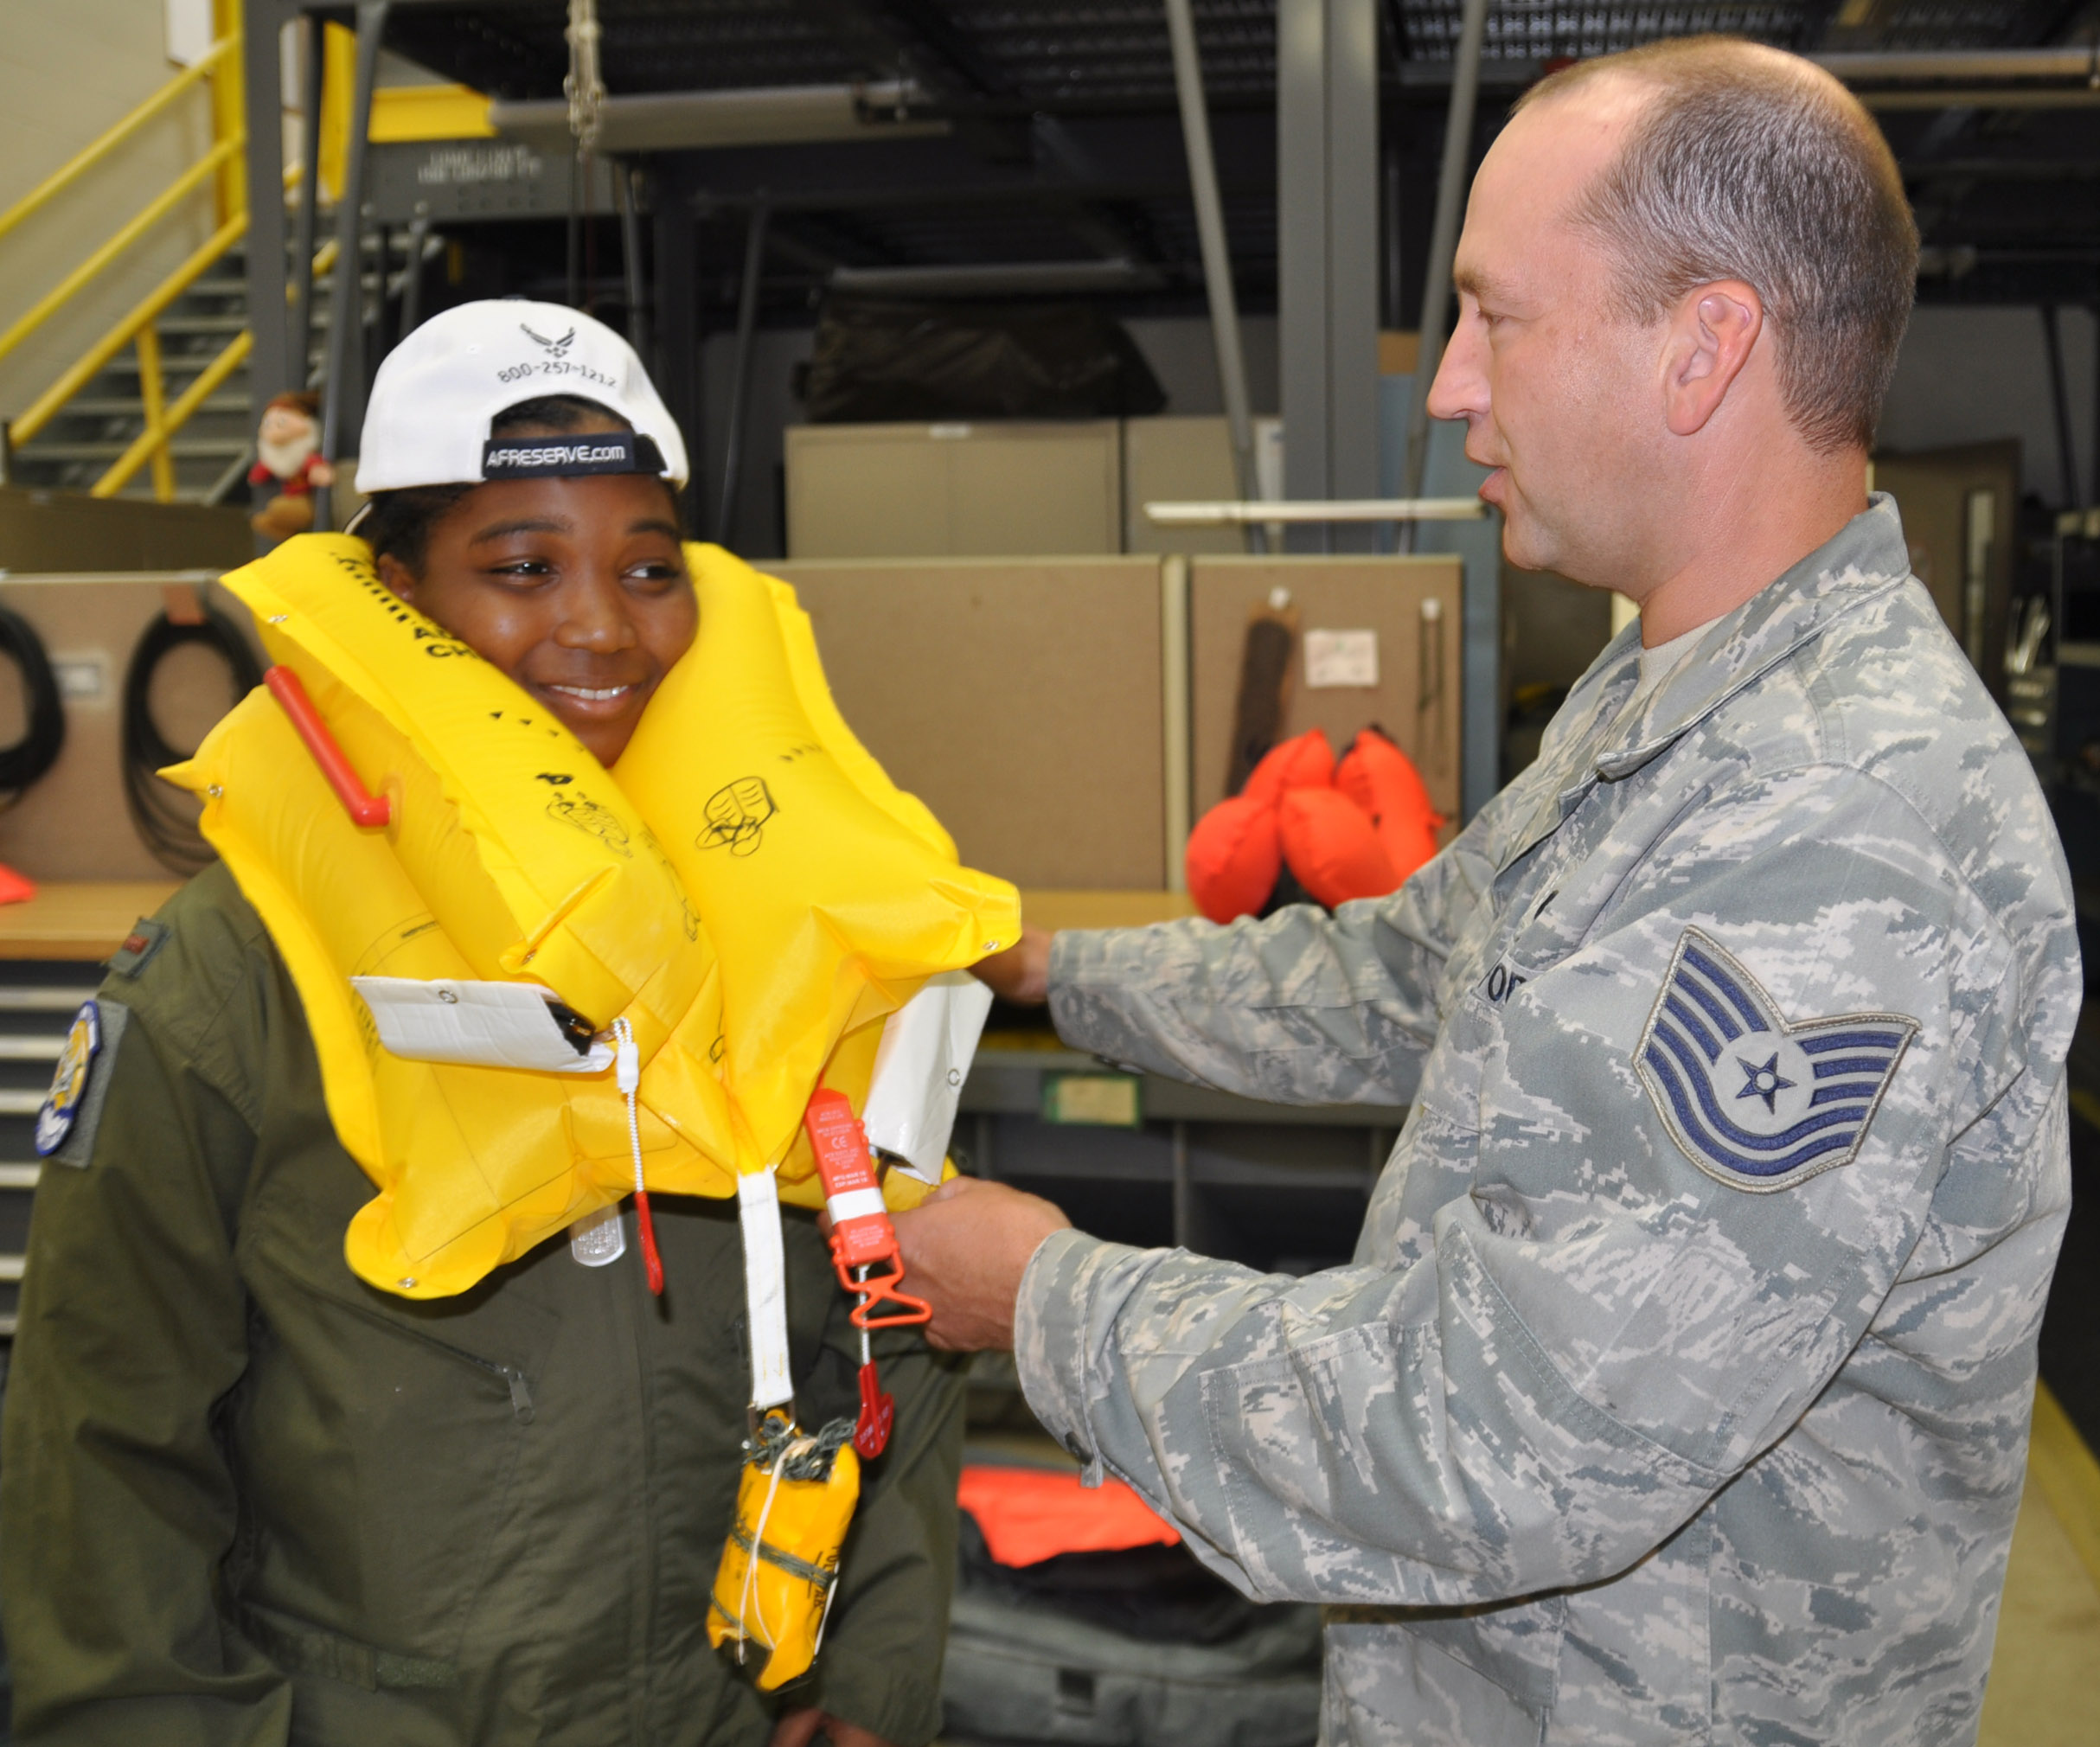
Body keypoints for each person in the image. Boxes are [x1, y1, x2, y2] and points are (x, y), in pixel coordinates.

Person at [900, 37, 2080, 1747]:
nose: (1449, 384)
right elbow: (1406, 968)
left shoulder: (1838, 831)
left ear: (1702, 346)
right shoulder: (1665, 695)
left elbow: (1505, 1437)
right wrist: (1047, 965)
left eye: (1492, 314)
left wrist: (1045, 1298)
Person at [0, 304, 963, 1747]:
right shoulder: (232, 980)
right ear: (395, 598)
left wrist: (872, 1679)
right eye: (522, 567)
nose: (601, 626)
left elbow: (897, 1326)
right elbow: (102, 1460)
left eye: (648, 569)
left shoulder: (783, 934)